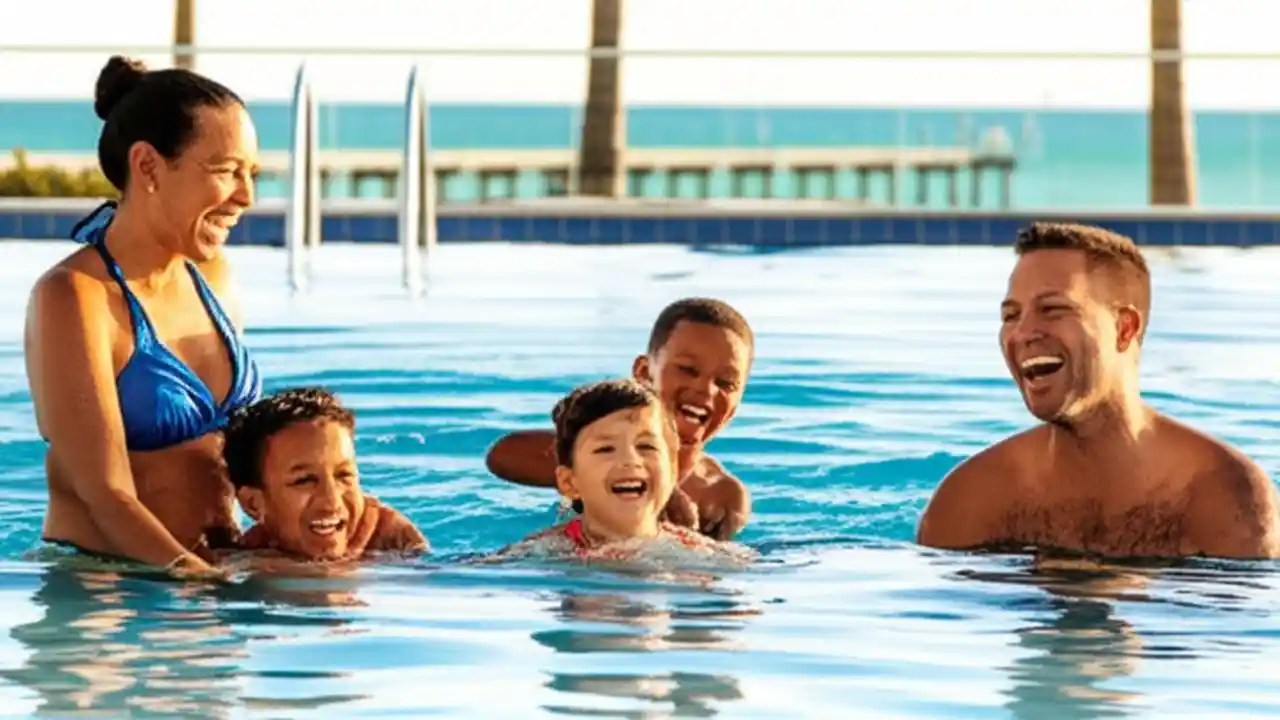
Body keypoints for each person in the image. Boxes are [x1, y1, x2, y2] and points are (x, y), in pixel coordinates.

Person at [23, 56, 266, 579]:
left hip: (203, 572)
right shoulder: (74, 298)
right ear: (149, 166)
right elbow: (105, 494)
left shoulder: (216, 279)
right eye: (226, 172)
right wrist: (203, 582)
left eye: (252, 174)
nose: (247, 196)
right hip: (104, 588)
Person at [917, 222, 1280, 559]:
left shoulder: (1220, 493)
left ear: (1124, 329)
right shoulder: (973, 498)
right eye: (1011, 316)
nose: (1022, 333)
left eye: (1053, 310)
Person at [486, 298, 754, 539]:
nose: (705, 390)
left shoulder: (721, 495)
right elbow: (502, 456)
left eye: (726, 383)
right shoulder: (596, 445)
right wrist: (659, 488)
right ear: (644, 372)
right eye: (687, 369)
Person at [496, 379, 749, 563]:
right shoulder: (548, 549)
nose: (630, 460)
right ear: (569, 482)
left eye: (646, 446)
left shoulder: (698, 551)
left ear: (672, 472)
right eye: (606, 449)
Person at [222, 387, 427, 561]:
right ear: (253, 504)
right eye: (305, 480)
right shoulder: (251, 554)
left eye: (344, 475)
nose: (331, 501)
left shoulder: (388, 539)